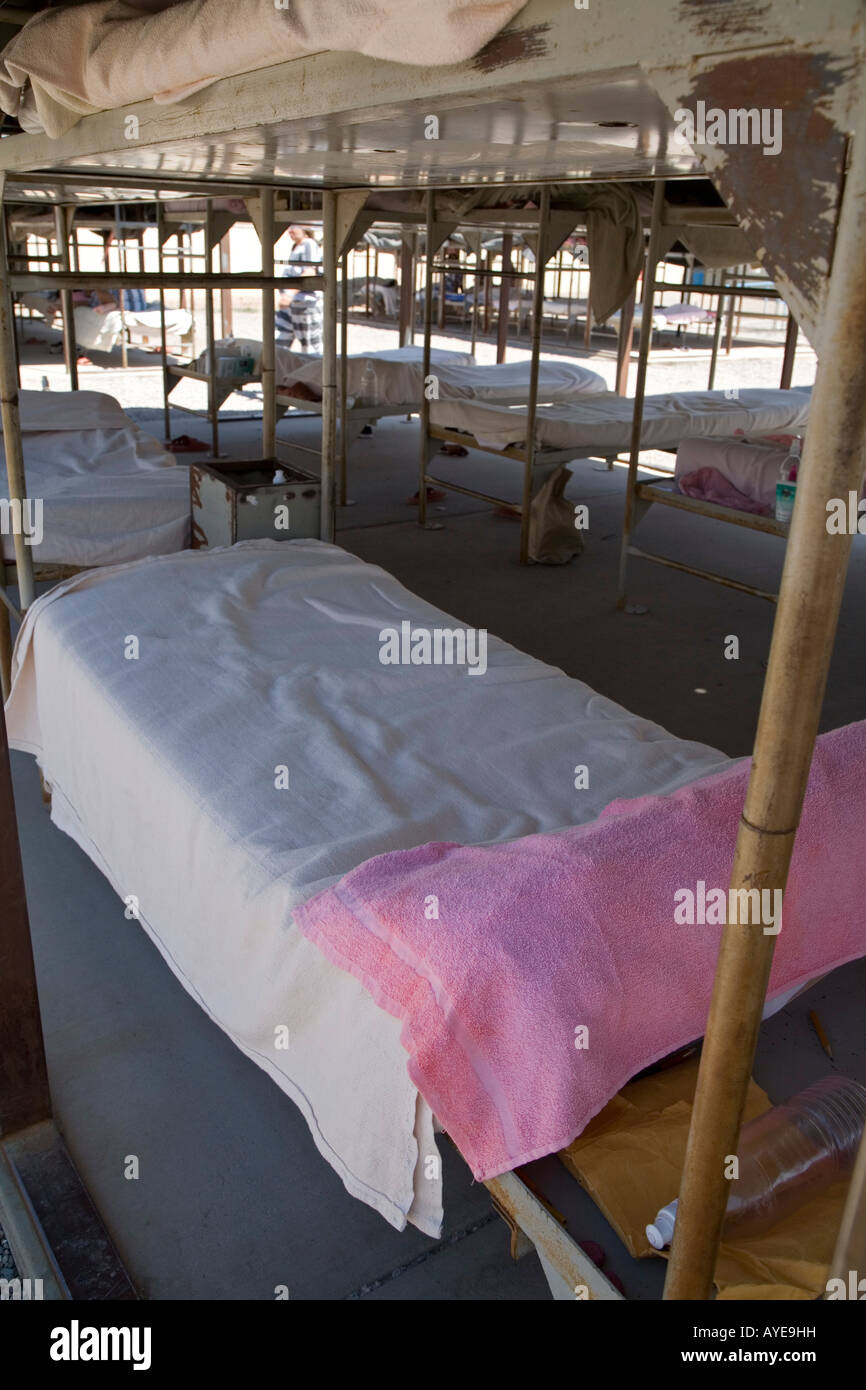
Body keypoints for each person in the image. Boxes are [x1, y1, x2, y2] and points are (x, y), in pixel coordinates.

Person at [276, 225, 323, 353]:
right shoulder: (298, 246)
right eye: (289, 227)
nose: (290, 230)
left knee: (310, 346)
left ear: (304, 228)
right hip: (292, 305)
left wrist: (290, 293)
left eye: (294, 227)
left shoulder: (309, 244)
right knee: (281, 342)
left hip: (305, 304)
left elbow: (310, 271)